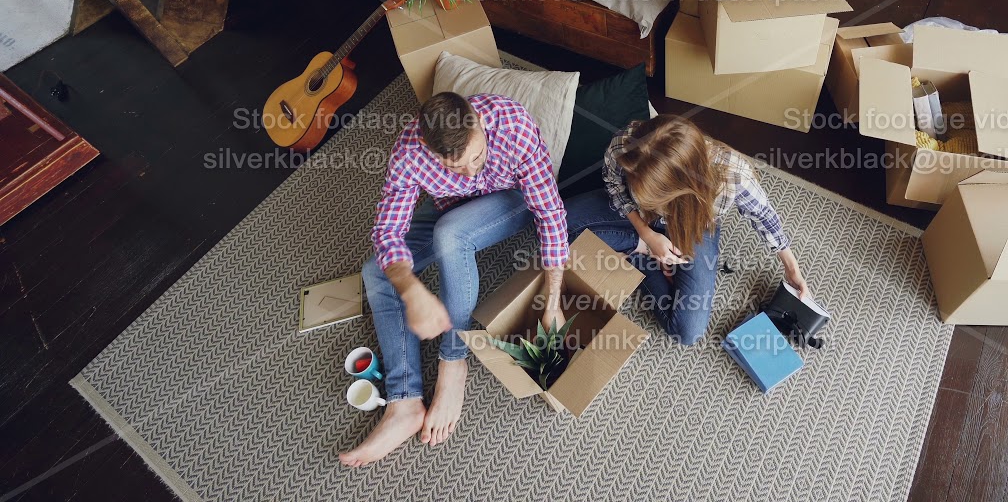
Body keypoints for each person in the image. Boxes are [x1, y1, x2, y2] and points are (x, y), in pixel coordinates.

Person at [339, 92, 567, 467]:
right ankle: (404, 400)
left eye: (477, 158)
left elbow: (550, 213)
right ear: (429, 146)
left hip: (512, 201)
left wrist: (553, 300)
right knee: (375, 272)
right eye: (455, 168)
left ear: (477, 120)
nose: (471, 173)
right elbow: (387, 232)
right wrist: (411, 289)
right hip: (452, 208)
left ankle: (453, 360)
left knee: (450, 234)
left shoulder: (512, 124)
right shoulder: (410, 150)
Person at [564, 114, 808, 345]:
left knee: (688, 331)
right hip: (633, 215)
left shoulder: (733, 174)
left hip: (693, 227)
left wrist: (792, 268)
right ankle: (643, 251)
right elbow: (614, 186)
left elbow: (763, 214)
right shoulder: (628, 144)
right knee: (557, 227)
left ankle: (638, 257)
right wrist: (646, 234)